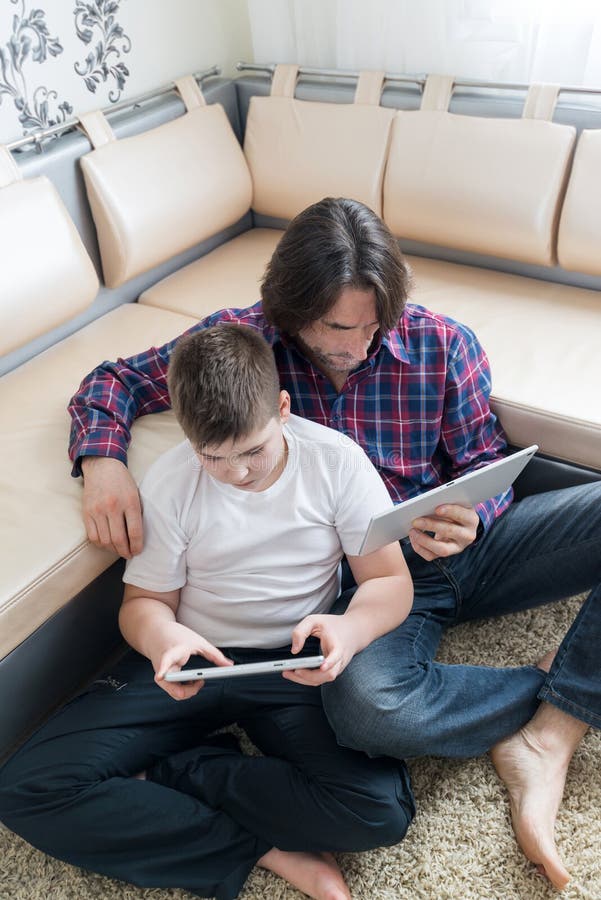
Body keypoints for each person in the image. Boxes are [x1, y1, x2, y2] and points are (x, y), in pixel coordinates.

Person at [60, 198, 601, 888]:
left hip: (471, 549)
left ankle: (552, 729)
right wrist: (102, 464)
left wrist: (477, 510)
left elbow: (480, 459)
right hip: (363, 579)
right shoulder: (246, 344)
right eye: (340, 328)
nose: (360, 345)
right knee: (374, 711)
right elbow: (112, 382)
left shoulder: (442, 343)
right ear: (288, 310)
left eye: (376, 325)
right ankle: (553, 689)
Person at [0, 324, 415, 899]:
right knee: (27, 788)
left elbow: (390, 581)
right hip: (192, 658)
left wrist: (350, 627)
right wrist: (164, 641)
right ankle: (263, 850)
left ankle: (179, 773)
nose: (239, 472)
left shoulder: (338, 464)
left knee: (379, 812)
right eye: (215, 458)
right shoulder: (174, 480)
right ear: (192, 440)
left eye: (253, 450)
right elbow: (143, 604)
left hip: (290, 662)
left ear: (283, 408)